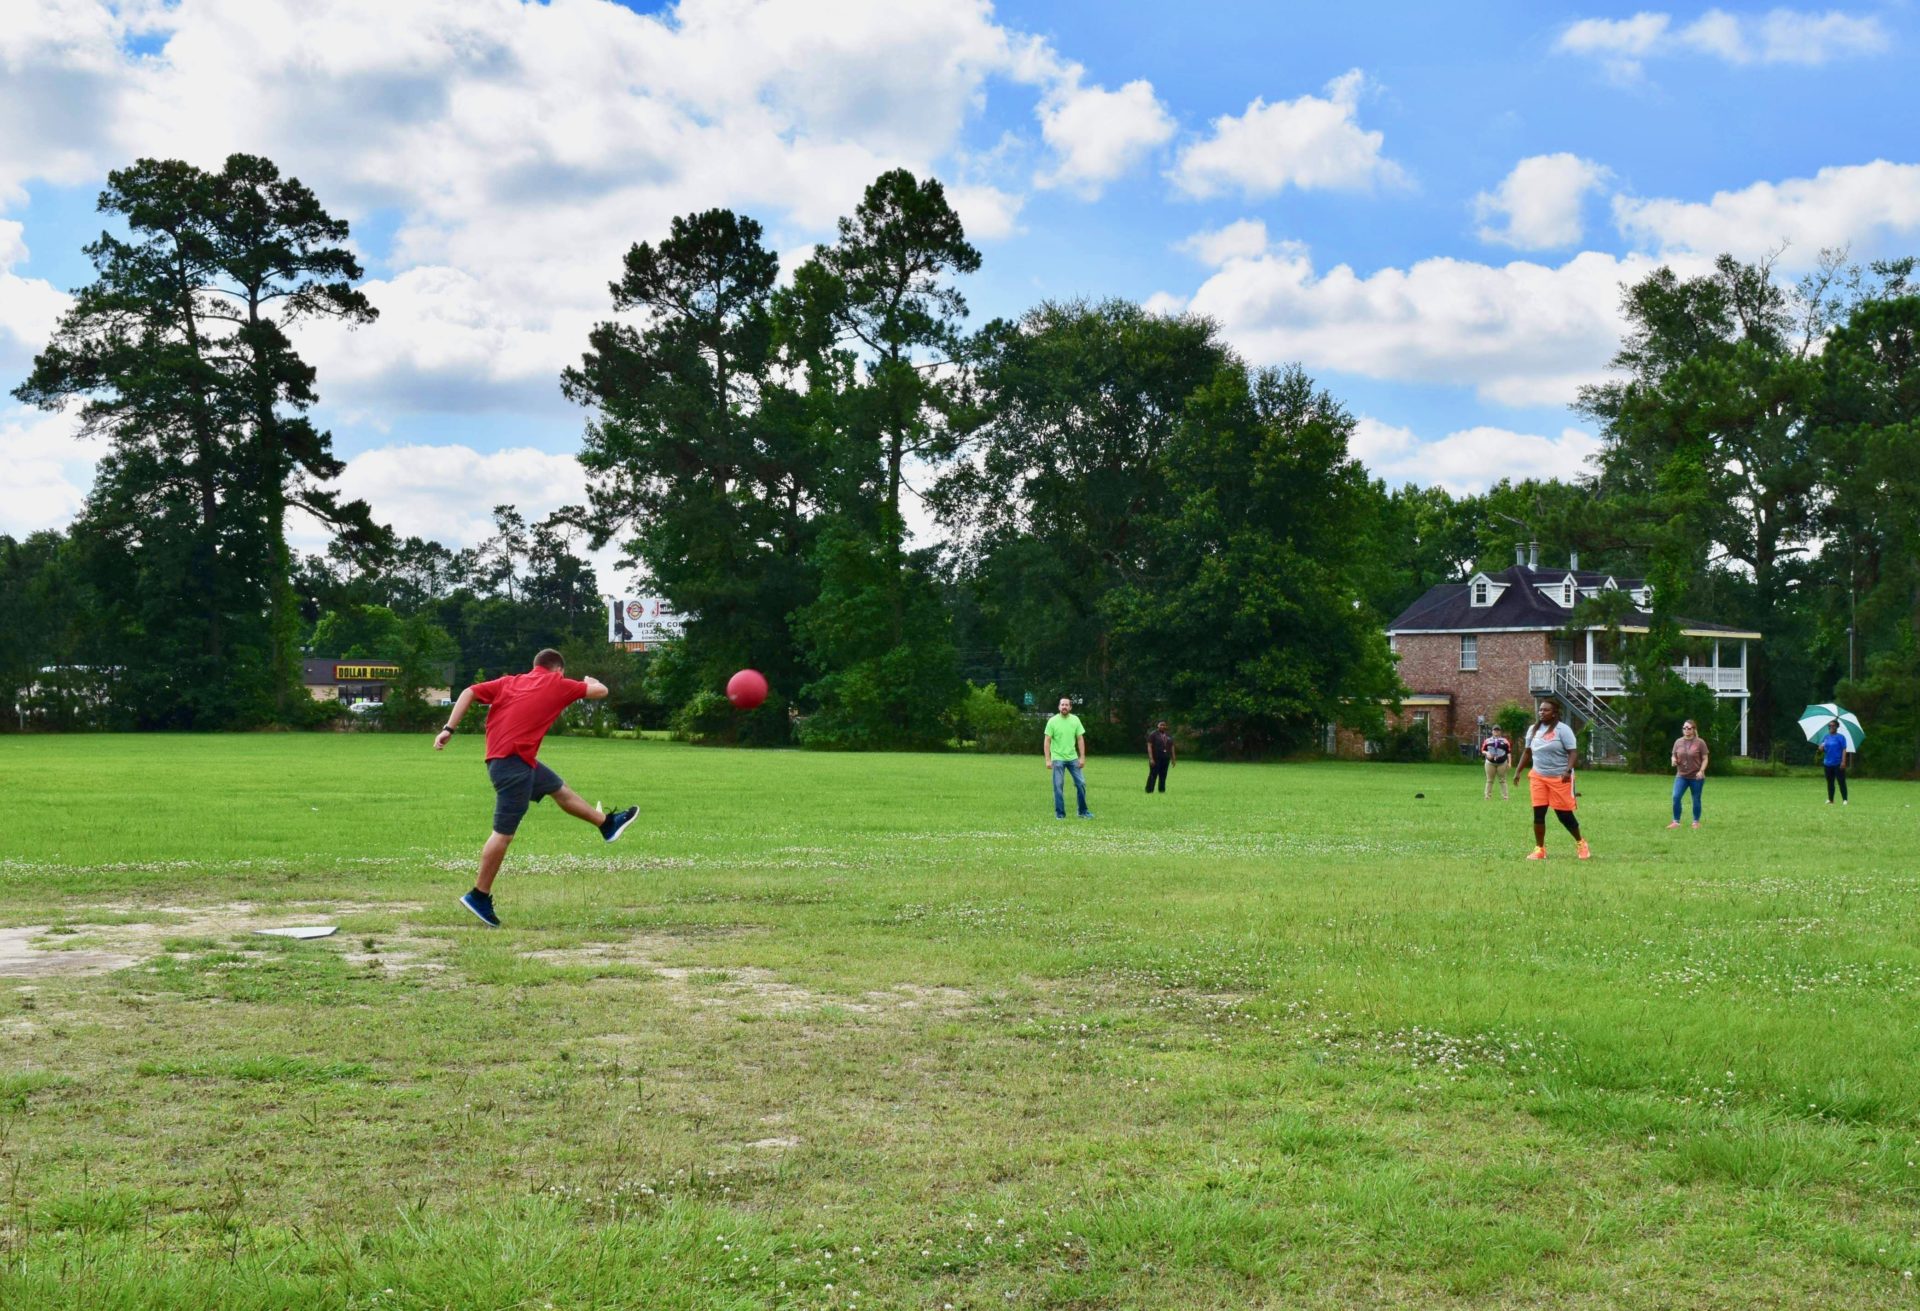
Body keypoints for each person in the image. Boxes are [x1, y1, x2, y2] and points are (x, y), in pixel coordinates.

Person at [435, 648, 638, 927]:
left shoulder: (510, 681)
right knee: (503, 834)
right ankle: (478, 895)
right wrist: (590, 680)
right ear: (560, 670)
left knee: (558, 789)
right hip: (513, 767)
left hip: (509, 760)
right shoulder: (557, 683)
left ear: (534, 666)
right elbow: (601, 691)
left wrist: (449, 729)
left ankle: (606, 824)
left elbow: (469, 691)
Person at [1514, 698, 1590, 861]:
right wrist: (1518, 771)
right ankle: (1540, 849)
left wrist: (1568, 770)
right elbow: (1527, 752)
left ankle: (1581, 843)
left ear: (1555, 713)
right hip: (1538, 776)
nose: (1542, 712)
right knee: (1538, 813)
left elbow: (1573, 752)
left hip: (1559, 778)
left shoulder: (1563, 730)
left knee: (1563, 814)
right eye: (1540, 710)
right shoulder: (1533, 730)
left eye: (1546, 710)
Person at [1044, 696, 1093, 819]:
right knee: (1058, 786)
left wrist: (1082, 757)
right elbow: (1047, 741)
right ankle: (1060, 814)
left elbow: (1080, 739)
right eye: (1062, 705)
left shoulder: (1075, 720)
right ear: (1059, 706)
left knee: (1081, 783)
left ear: (1070, 707)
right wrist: (1048, 759)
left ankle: (1082, 811)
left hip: (1073, 758)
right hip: (1058, 759)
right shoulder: (1052, 721)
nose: (1064, 707)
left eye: (1066, 705)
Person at [1668, 719, 1708, 828]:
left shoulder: (1700, 742)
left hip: (1696, 777)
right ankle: (1676, 821)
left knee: (1696, 799)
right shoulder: (1678, 742)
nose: (1686, 730)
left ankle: (1696, 822)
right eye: (1684, 728)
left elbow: (1705, 758)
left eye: (1689, 728)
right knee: (1676, 797)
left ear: (1694, 729)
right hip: (1681, 776)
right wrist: (1673, 760)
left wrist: (1701, 771)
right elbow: (1673, 755)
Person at [1820, 719, 1852, 805]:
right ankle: (1831, 800)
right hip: (1827, 763)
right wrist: (1821, 748)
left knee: (1841, 781)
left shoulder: (1841, 737)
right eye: (1829, 726)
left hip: (1838, 763)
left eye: (1833, 726)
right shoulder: (1826, 737)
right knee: (1830, 782)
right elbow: (1822, 748)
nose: (1831, 727)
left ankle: (1845, 799)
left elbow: (1844, 749)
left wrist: (1843, 761)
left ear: (1837, 727)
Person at [1480, 726, 1512, 800]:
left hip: (1502, 763)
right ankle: (1487, 797)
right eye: (1494, 730)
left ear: (1500, 732)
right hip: (1490, 763)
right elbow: (1482, 750)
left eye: (1498, 730)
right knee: (1489, 780)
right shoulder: (1487, 740)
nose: (1496, 732)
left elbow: (1509, 753)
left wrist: (1510, 763)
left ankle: (1505, 797)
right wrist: (1487, 753)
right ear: (1492, 731)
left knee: (1502, 780)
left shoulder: (1505, 741)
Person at [1145, 720, 1175, 794]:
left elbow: (1172, 747)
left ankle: (1161, 790)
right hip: (1156, 758)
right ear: (1157, 726)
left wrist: (1173, 758)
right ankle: (1149, 790)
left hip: (1165, 758)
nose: (1162, 726)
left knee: (1163, 775)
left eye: (1164, 725)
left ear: (1166, 726)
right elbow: (1149, 746)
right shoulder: (1153, 734)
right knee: (1153, 774)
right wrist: (1151, 758)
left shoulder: (1168, 735)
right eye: (1161, 725)